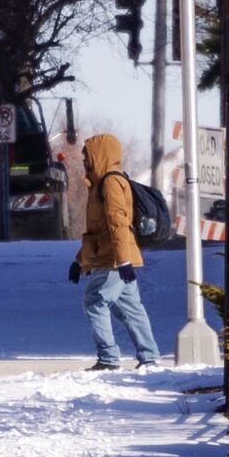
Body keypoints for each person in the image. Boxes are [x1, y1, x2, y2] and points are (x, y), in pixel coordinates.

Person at [68, 133, 161, 370]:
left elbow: (118, 223)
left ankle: (108, 358)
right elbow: (97, 232)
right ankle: (150, 358)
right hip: (114, 257)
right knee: (130, 308)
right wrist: (79, 261)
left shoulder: (110, 183)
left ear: (100, 155)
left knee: (95, 301)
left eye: (87, 156)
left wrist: (123, 261)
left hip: (114, 258)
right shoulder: (101, 184)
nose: (84, 161)